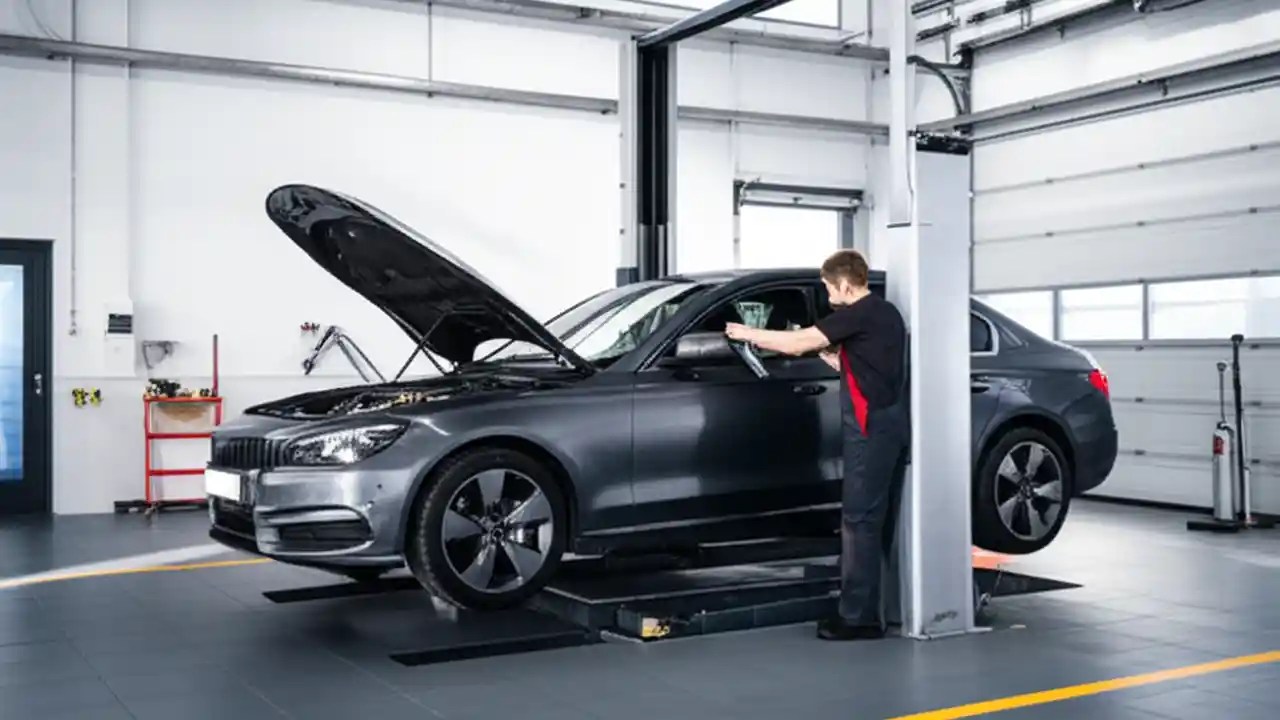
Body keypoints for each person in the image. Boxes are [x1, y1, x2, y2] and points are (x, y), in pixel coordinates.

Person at [725, 249, 908, 641]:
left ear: (844, 284)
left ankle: (857, 619)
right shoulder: (885, 313)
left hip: (869, 429)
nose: (827, 295)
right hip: (888, 424)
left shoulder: (856, 314)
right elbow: (872, 367)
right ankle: (873, 611)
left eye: (828, 287)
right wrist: (836, 359)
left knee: (859, 521)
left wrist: (747, 333)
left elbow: (796, 344)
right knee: (874, 520)